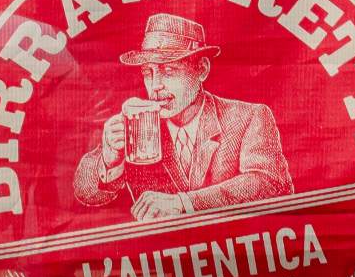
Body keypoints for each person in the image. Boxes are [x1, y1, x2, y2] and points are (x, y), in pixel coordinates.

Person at [71, 11, 296, 219]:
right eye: (148, 73)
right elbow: (85, 192)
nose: (155, 86)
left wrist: (183, 203)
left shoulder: (248, 118)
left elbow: (270, 183)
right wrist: (109, 160)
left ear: (202, 69)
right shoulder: (140, 124)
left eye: (169, 70)